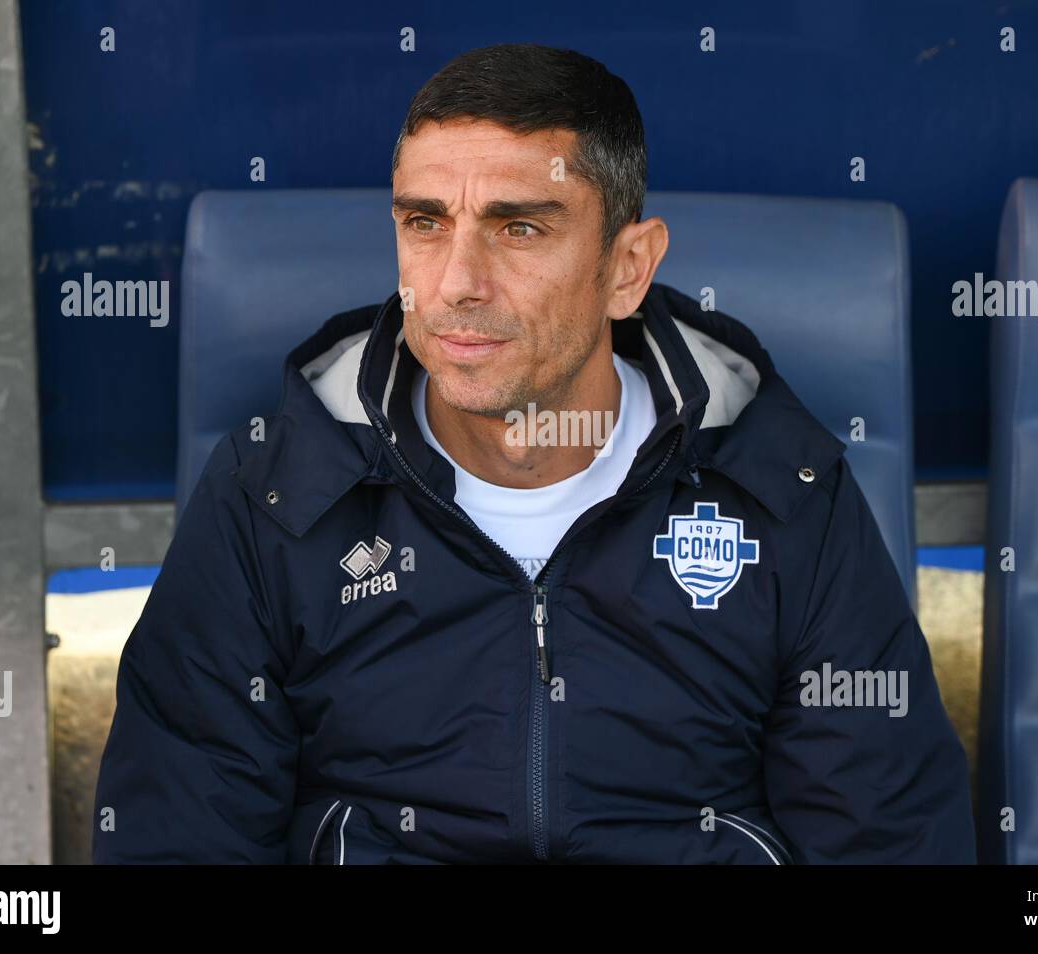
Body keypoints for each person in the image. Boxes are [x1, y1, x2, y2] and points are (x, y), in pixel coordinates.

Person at [93, 42, 975, 864]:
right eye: (426, 223)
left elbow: (887, 836)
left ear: (628, 267)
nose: (456, 284)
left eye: (520, 229)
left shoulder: (782, 486)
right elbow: (177, 835)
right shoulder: (274, 491)